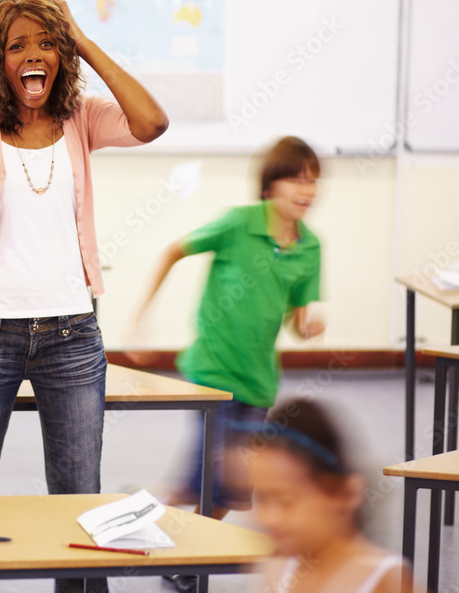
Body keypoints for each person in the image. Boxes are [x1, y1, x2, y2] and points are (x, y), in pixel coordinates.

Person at [0, 0, 168, 593]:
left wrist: (80, 39)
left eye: (46, 43)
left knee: (80, 510)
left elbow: (153, 122)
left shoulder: (80, 118)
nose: (34, 55)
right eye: (16, 46)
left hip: (72, 338)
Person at [126, 136, 323, 592]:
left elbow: (296, 317)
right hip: (213, 372)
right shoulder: (238, 223)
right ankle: (165, 539)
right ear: (270, 185)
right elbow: (173, 251)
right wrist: (140, 316)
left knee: (232, 489)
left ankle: (155, 522)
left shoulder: (309, 248)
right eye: (296, 178)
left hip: (256, 381)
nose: (307, 189)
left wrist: (308, 326)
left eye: (313, 180)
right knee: (207, 479)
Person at [245, 398, 422, 593]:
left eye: (286, 502)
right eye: (261, 498)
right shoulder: (279, 568)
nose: (268, 518)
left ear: (343, 494)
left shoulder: (385, 580)